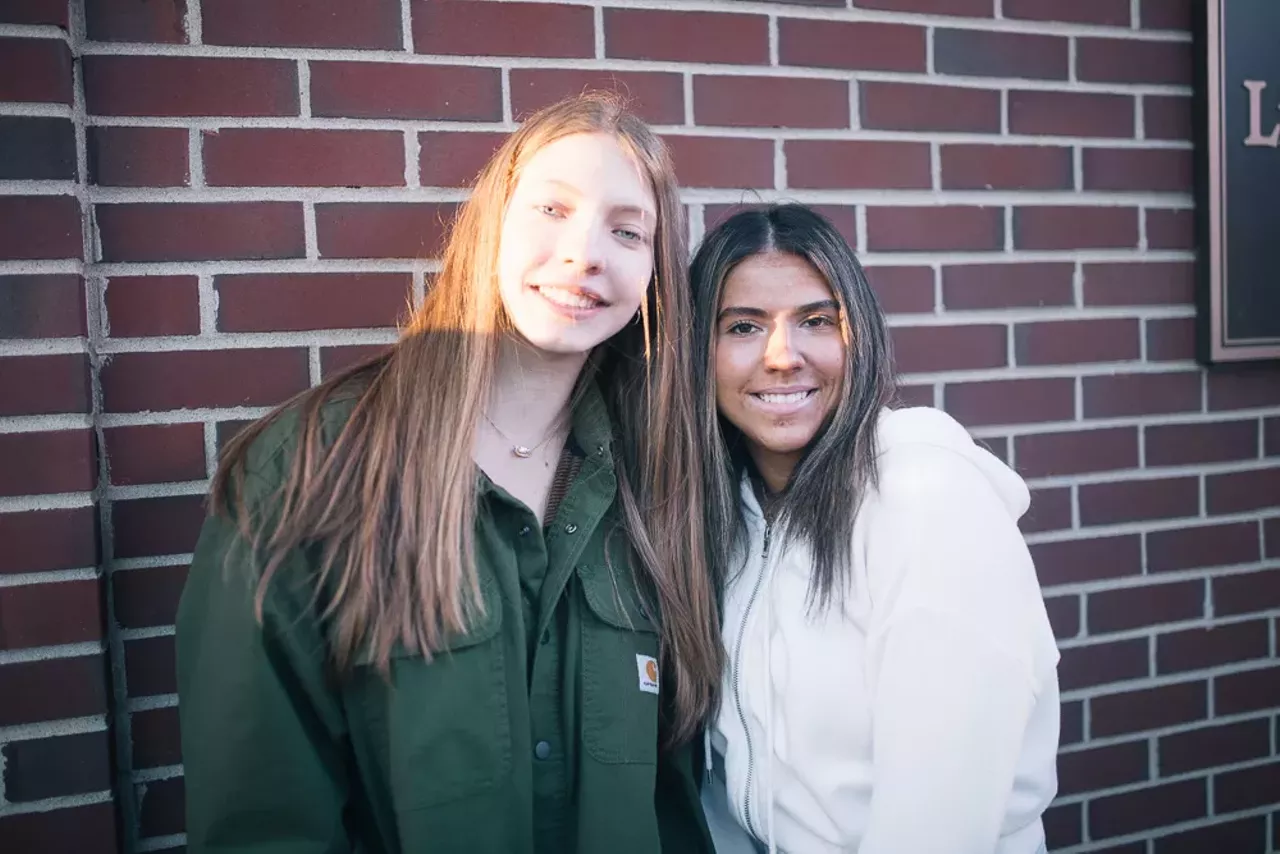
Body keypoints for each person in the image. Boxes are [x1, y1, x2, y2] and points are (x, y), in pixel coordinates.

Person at [175, 93, 722, 854]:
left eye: (627, 231)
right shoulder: (308, 473)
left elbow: (675, 802)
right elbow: (261, 820)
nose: (585, 254)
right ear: (490, 224)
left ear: (652, 275)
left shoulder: (656, 486)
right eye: (553, 210)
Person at [690, 204, 1060, 854]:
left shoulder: (926, 499)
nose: (783, 357)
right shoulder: (731, 518)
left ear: (856, 333)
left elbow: (938, 824)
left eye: (816, 321)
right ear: (701, 350)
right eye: (743, 326)